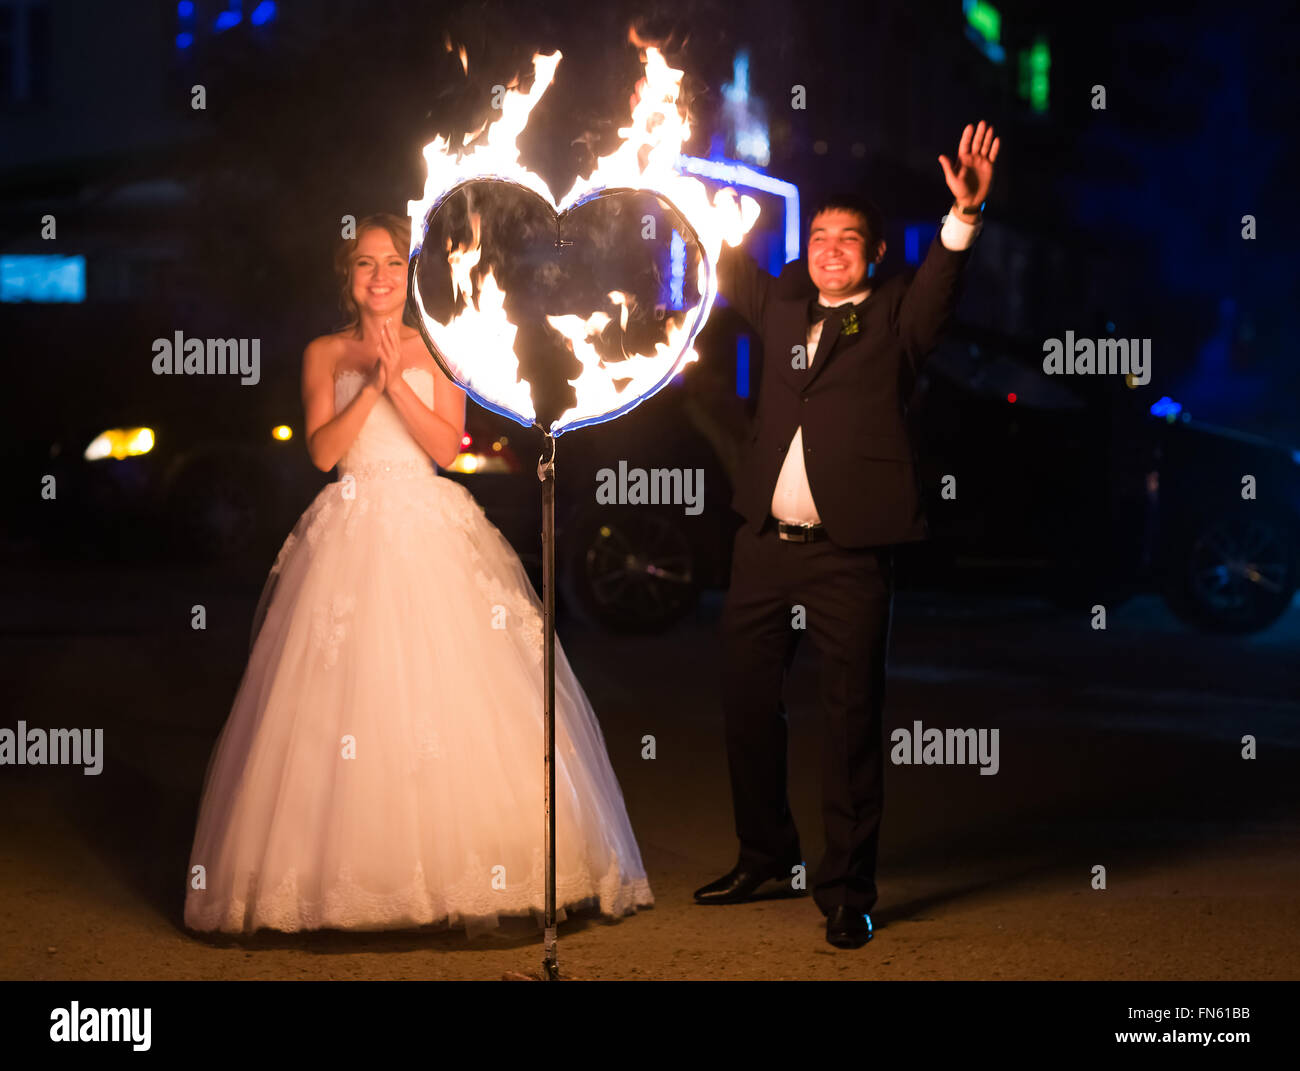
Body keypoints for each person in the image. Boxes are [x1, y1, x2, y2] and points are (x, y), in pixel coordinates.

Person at [184, 213, 653, 938]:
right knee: (344, 698)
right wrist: (367, 385)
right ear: (348, 277)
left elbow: (444, 446)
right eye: (365, 263)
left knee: (454, 688)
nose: (379, 276)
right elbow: (321, 452)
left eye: (392, 262)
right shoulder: (323, 353)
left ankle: (475, 879)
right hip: (349, 526)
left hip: (430, 522)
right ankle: (338, 882)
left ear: (412, 273)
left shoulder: (443, 349)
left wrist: (397, 380)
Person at [694, 122, 1001, 948]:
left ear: (871, 254)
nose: (830, 251)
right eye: (820, 237)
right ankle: (764, 853)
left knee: (849, 720)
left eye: (848, 240)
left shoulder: (901, 315)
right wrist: (706, 213)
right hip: (762, 545)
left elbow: (942, 277)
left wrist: (962, 215)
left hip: (849, 554)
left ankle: (847, 891)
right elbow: (725, 269)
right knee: (747, 705)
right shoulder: (783, 295)